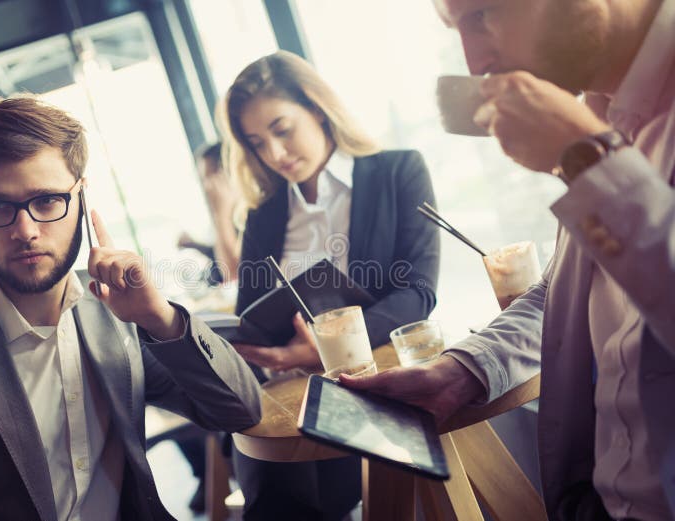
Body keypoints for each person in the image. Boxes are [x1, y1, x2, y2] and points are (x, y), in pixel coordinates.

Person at [343, 1, 675, 520]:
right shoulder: (603, 113)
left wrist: (586, 158)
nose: (474, 64)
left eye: (483, 14)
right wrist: (462, 370)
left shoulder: (590, 141)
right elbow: (563, 295)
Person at [0, 96, 262, 521]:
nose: (26, 231)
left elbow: (240, 409)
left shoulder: (115, 312)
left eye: (46, 201)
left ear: (80, 197)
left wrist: (160, 318)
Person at [218, 51, 440, 520]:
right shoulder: (263, 214)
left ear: (318, 109)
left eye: (282, 129)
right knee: (277, 486)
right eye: (258, 142)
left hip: (374, 381)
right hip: (289, 393)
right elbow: (250, 317)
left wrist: (327, 347)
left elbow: (418, 293)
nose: (275, 154)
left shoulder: (398, 172)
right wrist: (263, 350)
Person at [176, 141, 242, 285]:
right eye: (203, 180)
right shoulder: (229, 214)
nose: (206, 187)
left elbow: (234, 274)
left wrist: (221, 214)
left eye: (210, 177)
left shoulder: (253, 211)